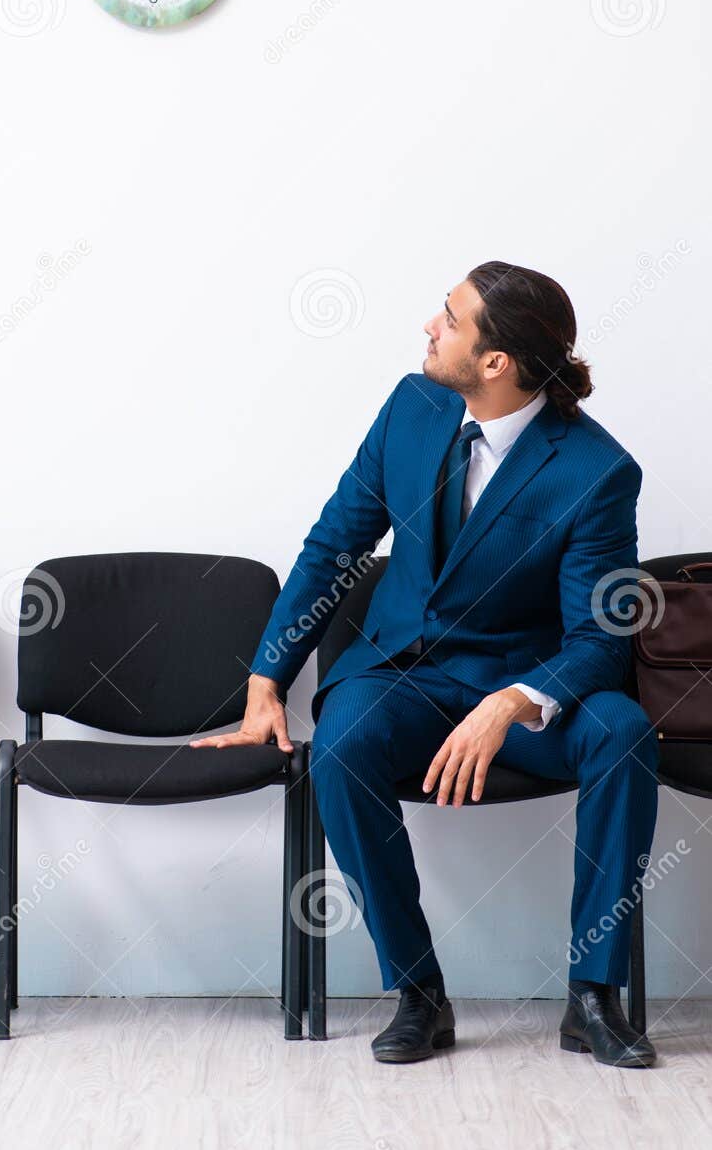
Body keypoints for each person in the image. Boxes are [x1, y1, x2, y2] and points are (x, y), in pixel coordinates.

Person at [192, 261, 659, 1067]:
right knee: (340, 746)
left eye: (449, 316)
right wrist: (267, 678)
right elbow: (336, 546)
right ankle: (418, 993)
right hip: (400, 672)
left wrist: (517, 698)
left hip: (522, 682)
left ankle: (594, 996)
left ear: (494, 363)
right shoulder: (412, 408)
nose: (428, 326)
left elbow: (599, 639)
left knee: (623, 735)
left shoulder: (597, 473)